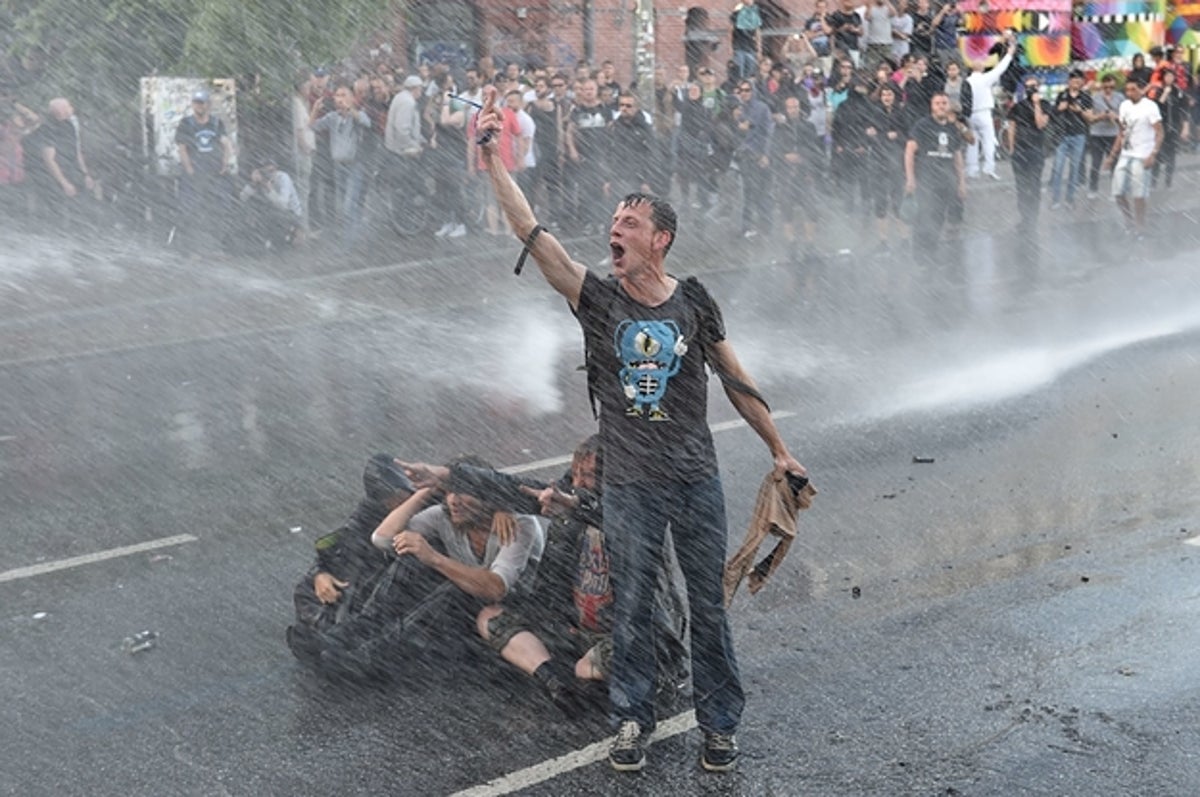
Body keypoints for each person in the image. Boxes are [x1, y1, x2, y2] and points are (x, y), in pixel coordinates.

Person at [474, 84, 806, 774]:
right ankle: (632, 718)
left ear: (661, 238)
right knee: (630, 608)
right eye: (613, 221)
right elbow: (533, 237)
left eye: (628, 222)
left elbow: (736, 378)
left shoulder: (693, 301)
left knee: (709, 608)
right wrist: (494, 161)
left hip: (694, 479)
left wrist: (780, 449)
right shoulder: (597, 300)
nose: (614, 230)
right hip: (629, 484)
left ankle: (719, 721)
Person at [398, 438, 690, 717]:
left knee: (587, 670)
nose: (576, 484)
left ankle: (641, 678)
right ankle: (554, 681)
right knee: (492, 617)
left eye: (587, 476)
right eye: (574, 474)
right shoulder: (568, 502)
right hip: (574, 627)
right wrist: (450, 476)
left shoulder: (635, 512)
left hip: (629, 633)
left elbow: (605, 512)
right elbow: (518, 489)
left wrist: (575, 505)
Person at [286, 454, 415, 661]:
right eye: (387, 498)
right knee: (309, 587)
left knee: (373, 594)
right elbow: (342, 542)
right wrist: (321, 573)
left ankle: (345, 640)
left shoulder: (426, 505)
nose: (393, 503)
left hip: (404, 573)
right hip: (371, 565)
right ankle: (327, 630)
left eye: (397, 496)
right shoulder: (371, 509)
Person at [904, 92, 966, 257]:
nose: (941, 106)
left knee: (939, 218)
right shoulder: (923, 125)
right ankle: (920, 255)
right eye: (938, 103)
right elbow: (910, 151)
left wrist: (961, 183)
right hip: (927, 180)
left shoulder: (952, 128)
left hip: (946, 181)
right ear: (932, 106)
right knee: (924, 217)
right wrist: (910, 178)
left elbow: (957, 157)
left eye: (944, 103)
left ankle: (931, 252)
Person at [309, 82, 372, 245]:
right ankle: (355, 234)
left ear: (351, 98)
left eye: (344, 95)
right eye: (337, 95)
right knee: (345, 204)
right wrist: (315, 109)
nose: (339, 99)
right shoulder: (332, 117)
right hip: (338, 166)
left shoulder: (357, 114)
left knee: (349, 204)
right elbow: (312, 126)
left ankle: (349, 242)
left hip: (354, 165)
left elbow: (366, 122)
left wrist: (349, 109)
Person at [1103, 78, 1162, 237]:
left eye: (1133, 89)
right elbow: (1122, 132)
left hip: (1142, 155)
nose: (1130, 93)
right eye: (1127, 90)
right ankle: (1129, 221)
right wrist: (1111, 156)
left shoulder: (1150, 106)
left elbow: (1159, 132)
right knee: (1118, 192)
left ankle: (1140, 227)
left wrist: (1153, 154)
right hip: (1126, 153)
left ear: (1141, 89)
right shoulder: (1124, 106)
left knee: (1139, 195)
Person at [174, 90, 233, 249]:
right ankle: (193, 249)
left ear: (208, 104)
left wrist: (224, 164)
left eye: (202, 103)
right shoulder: (186, 124)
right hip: (195, 174)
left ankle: (216, 247)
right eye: (196, 102)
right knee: (191, 211)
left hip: (214, 174)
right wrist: (190, 170)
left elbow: (226, 144)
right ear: (193, 104)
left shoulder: (216, 123)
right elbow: (182, 149)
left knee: (218, 211)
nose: (199, 106)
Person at [964, 31, 1016, 179]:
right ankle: (988, 167)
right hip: (984, 113)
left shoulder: (967, 81)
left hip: (971, 113)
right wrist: (1009, 54)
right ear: (980, 68)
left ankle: (972, 169)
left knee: (972, 142)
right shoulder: (985, 78)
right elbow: (1001, 69)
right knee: (988, 141)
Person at [1005, 75, 1052, 228]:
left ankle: (1033, 217)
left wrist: (1037, 103)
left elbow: (1040, 124)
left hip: (1036, 150)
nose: (1031, 90)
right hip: (1020, 151)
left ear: (1038, 87)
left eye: (1034, 86)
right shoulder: (1017, 107)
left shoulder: (1044, 104)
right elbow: (1012, 128)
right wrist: (1012, 149)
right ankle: (1024, 217)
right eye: (1028, 87)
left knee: (1034, 184)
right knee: (1021, 186)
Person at [732, 80, 774, 238]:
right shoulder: (739, 109)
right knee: (749, 191)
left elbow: (767, 132)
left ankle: (765, 226)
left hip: (758, 155)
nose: (744, 93)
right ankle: (748, 226)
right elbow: (735, 132)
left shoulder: (761, 108)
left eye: (747, 90)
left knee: (762, 192)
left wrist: (765, 154)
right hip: (745, 156)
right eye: (741, 90)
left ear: (753, 91)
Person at [1049, 69, 1093, 208]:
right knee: (1058, 168)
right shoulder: (1062, 95)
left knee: (1074, 169)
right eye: (1073, 80)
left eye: (1079, 80)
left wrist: (1080, 111)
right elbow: (1053, 113)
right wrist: (1060, 108)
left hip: (1079, 135)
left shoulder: (1085, 97)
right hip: (1062, 135)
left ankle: (1070, 199)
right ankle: (1056, 200)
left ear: (1082, 82)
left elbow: (1090, 117)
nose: (1076, 83)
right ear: (1069, 81)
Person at [1148, 67, 1189, 189]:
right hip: (1161, 128)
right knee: (1158, 154)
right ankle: (1154, 181)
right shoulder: (1159, 91)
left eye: (1171, 76)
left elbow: (1184, 111)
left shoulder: (1179, 92)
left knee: (1172, 155)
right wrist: (1165, 94)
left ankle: (1168, 181)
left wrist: (1185, 127)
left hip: (1174, 128)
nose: (1169, 78)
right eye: (1166, 76)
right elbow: (1156, 108)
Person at [1086, 73, 1121, 199]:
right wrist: (1102, 116)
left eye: (1111, 87)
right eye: (1106, 87)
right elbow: (1090, 118)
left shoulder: (1120, 97)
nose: (1108, 90)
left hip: (1113, 134)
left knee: (1114, 163)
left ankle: (1115, 189)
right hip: (1097, 134)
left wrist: (1115, 116)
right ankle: (1093, 188)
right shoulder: (1095, 98)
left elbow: (1124, 116)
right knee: (1095, 163)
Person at [730, 1, 764, 81]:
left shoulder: (755, 11)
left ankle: (748, 83)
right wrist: (730, 46)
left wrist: (759, 49)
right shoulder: (737, 11)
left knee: (751, 69)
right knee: (739, 70)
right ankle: (740, 83)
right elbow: (731, 30)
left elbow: (757, 31)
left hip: (750, 47)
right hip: (739, 45)